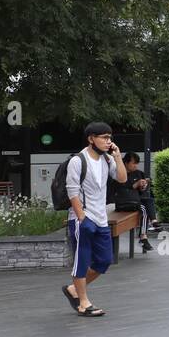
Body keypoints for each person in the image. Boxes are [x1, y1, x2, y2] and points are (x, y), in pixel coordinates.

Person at [61, 122, 127, 318]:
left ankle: (74, 289)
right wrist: (82, 218)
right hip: (83, 219)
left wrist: (117, 156)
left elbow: (122, 179)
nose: (108, 141)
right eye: (104, 137)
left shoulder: (107, 159)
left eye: (110, 138)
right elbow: (72, 192)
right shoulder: (78, 161)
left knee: (104, 261)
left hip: (101, 218)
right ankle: (83, 303)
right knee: (81, 260)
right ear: (91, 139)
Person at [117, 152, 161, 251]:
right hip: (124, 202)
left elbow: (142, 192)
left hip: (135, 200)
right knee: (144, 210)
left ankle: (154, 221)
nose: (136, 166)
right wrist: (135, 185)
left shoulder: (139, 173)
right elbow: (121, 188)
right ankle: (143, 237)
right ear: (126, 163)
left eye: (137, 163)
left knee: (149, 200)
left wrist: (143, 186)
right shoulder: (120, 173)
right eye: (133, 163)